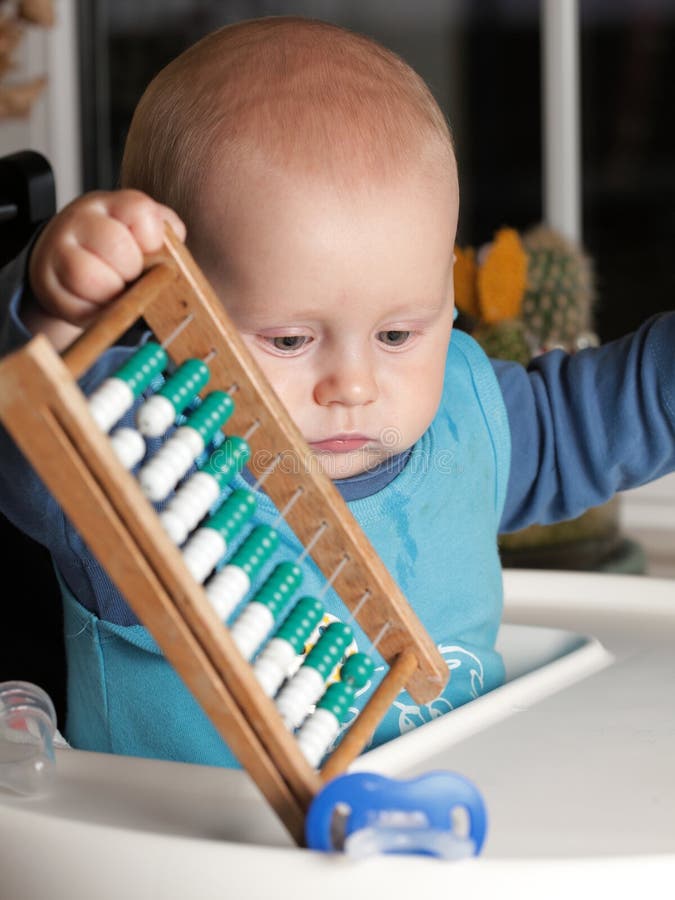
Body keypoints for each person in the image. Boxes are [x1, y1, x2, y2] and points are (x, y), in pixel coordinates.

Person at [0, 17, 673, 767]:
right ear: (167, 315)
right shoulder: (149, 461)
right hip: (184, 837)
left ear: (447, 302)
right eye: (289, 340)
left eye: (398, 334)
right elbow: (38, 435)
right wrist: (59, 313)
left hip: (450, 816)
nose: (352, 385)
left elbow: (612, 414)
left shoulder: (464, 417)